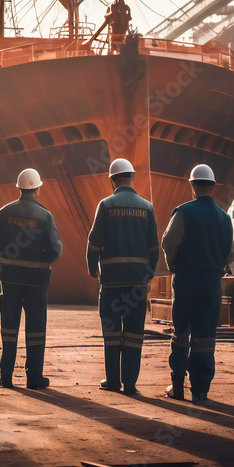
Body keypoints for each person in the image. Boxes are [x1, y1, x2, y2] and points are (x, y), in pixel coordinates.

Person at [160, 164, 233, 404]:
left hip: (186, 283)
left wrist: (174, 267)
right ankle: (200, 391)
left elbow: (168, 244)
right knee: (205, 338)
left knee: (181, 334)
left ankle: (178, 385)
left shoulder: (183, 212)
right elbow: (230, 255)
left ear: (192, 186)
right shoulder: (224, 218)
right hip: (211, 285)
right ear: (213, 186)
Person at [86, 158, 159, 395]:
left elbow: (94, 243)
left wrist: (91, 267)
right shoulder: (147, 207)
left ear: (112, 180)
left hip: (111, 282)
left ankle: (113, 380)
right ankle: (130, 383)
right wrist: (147, 276)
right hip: (137, 283)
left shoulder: (105, 205)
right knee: (134, 333)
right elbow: (154, 249)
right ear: (132, 177)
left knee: (111, 332)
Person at [0, 168, 62, 390]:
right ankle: (34, 378)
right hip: (37, 281)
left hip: (10, 279)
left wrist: (7, 255)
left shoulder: (5, 211)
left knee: (9, 328)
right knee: (36, 330)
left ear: (19, 187)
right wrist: (42, 261)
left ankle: (7, 376)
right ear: (38, 188)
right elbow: (56, 249)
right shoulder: (45, 215)